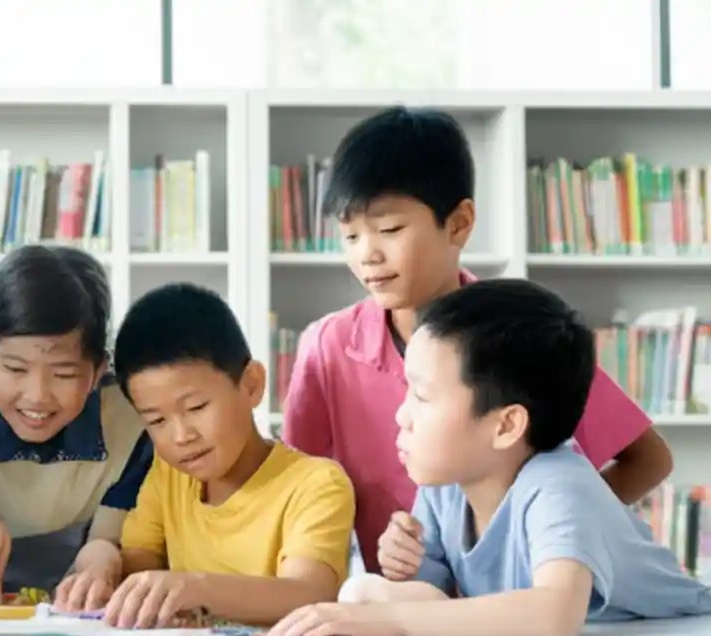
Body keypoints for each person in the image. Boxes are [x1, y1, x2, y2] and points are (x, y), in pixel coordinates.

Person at [282, 106, 672, 575]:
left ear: (460, 223)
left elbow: (647, 458)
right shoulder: (327, 348)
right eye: (350, 235)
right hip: (398, 611)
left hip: (517, 607)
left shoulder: (517, 332)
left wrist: (546, 536)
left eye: (389, 229)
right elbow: (296, 494)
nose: (368, 254)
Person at [269, 279, 711, 636]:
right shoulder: (446, 483)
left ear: (505, 426)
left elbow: (555, 613)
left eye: (422, 396)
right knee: (360, 591)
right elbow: (434, 597)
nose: (401, 415)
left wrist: (393, 619)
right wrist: (402, 567)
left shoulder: (560, 484)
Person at [101, 283, 355, 629]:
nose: (182, 436)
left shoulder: (315, 483)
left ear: (251, 384)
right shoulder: (169, 474)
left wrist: (196, 587)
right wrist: (102, 562)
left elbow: (309, 594)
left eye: (196, 407)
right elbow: (139, 565)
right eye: (157, 421)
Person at [0, 244, 152, 607]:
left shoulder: (135, 420)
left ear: (98, 371)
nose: (37, 396)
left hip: (90, 616)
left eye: (64, 373)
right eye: (14, 369)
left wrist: (103, 559)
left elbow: (114, 544)